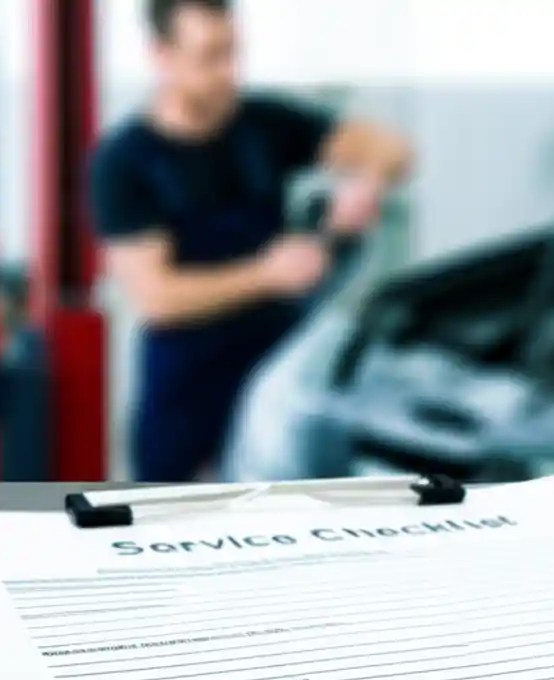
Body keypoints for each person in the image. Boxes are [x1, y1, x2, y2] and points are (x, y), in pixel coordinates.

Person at [91, 0, 411, 483]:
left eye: (233, 53)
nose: (227, 73)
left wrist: (366, 183)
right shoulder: (125, 162)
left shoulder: (263, 125)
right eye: (209, 57)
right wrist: (269, 273)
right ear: (163, 56)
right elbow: (157, 297)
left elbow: (394, 150)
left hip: (276, 373)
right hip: (186, 388)